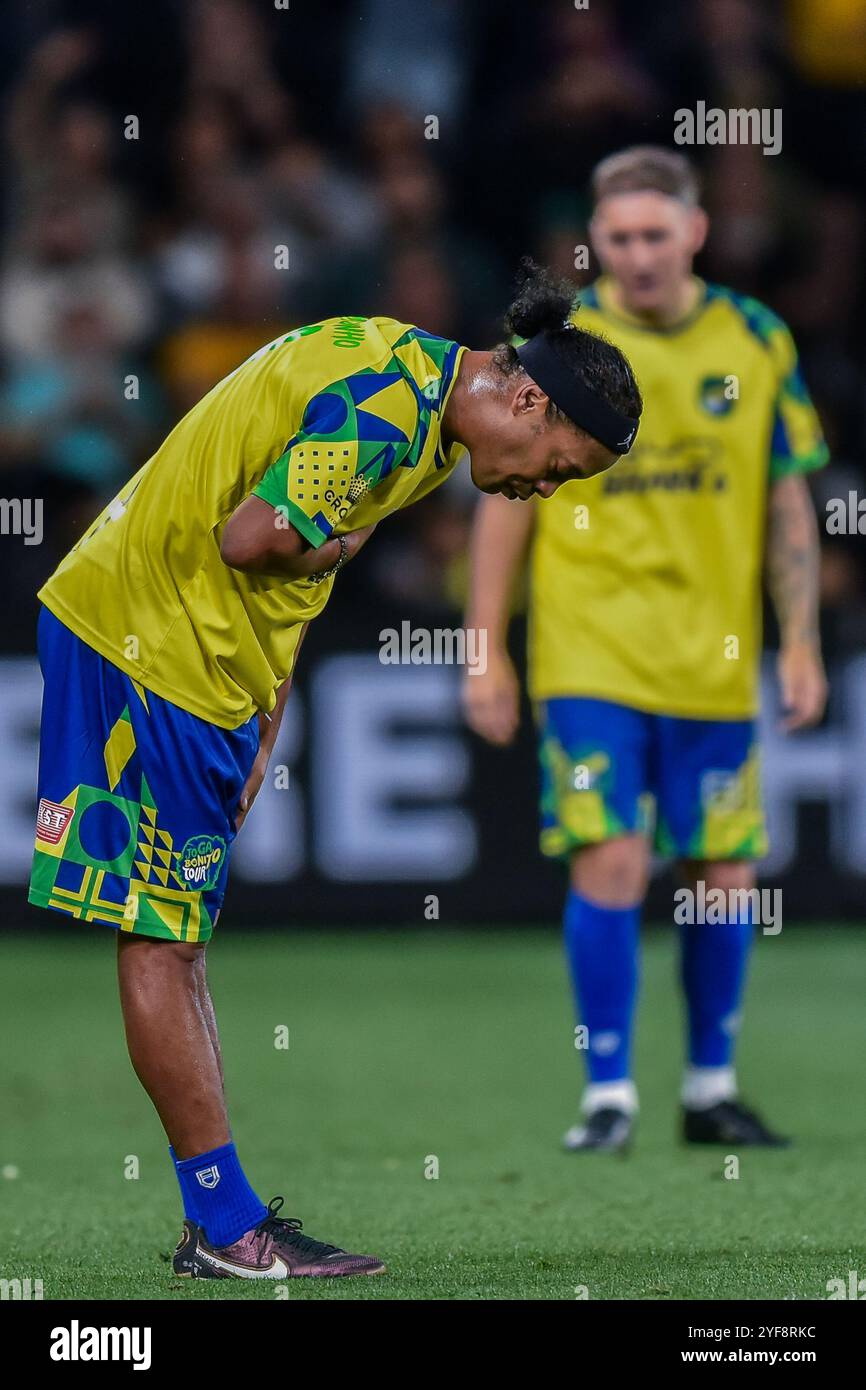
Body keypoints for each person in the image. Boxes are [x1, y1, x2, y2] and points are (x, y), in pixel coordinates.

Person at [28, 267, 642, 1278]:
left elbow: (287, 541)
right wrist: (343, 540)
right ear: (527, 397)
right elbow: (260, 535)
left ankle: (220, 1222)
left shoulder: (409, 389)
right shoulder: (388, 411)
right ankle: (225, 1232)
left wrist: (268, 708)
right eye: (556, 466)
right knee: (161, 937)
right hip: (144, 642)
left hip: (192, 653)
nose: (542, 488)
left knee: (175, 939)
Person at [463, 149, 828, 1153]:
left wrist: (798, 641)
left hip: (712, 661)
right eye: (616, 238)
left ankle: (709, 1087)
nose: (635, 256)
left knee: (721, 870)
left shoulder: (754, 339)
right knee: (613, 858)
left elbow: (782, 495)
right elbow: (500, 494)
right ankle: (607, 1094)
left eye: (653, 235)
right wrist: (482, 645)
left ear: (694, 233)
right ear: (597, 239)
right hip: (590, 658)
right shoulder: (559, 344)